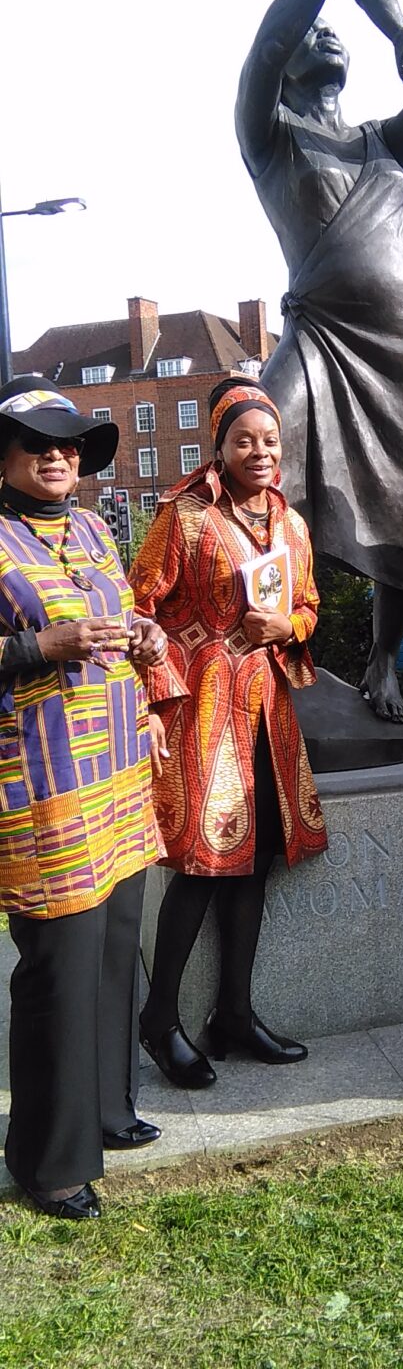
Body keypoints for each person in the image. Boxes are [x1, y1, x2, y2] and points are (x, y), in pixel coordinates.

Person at [235, 0, 403, 723]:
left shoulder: (383, 143)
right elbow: (267, 44)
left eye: (337, 27)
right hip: (321, 332)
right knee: (258, 462)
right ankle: (270, 646)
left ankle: (380, 666)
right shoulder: (269, 137)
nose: (325, 30)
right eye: (314, 31)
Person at [0, 376, 167, 1220]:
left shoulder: (97, 527)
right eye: (39, 443)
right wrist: (39, 644)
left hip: (118, 776)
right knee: (60, 971)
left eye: (69, 445)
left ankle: (106, 1110)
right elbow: (30, 646)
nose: (59, 456)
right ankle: (48, 1160)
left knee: (112, 952)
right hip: (43, 788)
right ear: (5, 456)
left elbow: (126, 620)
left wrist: (145, 634)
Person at [132, 380, 327, 1091]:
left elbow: (306, 603)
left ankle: (234, 1015)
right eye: (244, 439)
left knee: (256, 861)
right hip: (204, 707)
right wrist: (157, 694)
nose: (259, 451)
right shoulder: (182, 517)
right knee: (200, 866)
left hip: (269, 713)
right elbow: (138, 610)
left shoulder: (291, 524)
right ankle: (159, 1019)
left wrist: (292, 626)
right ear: (219, 445)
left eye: (269, 440)